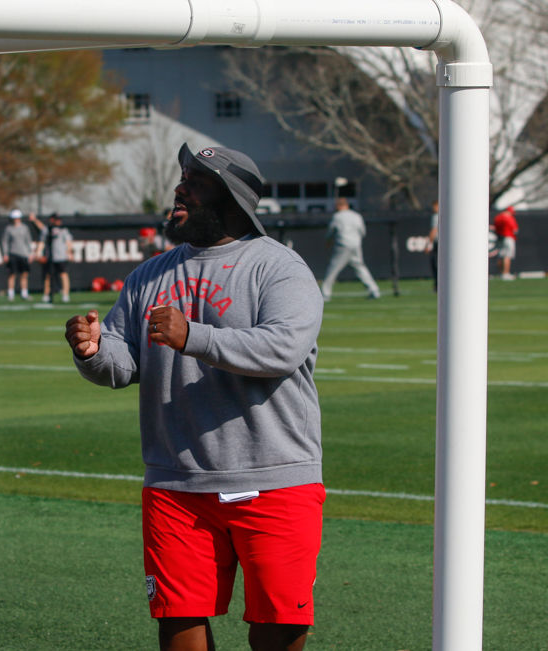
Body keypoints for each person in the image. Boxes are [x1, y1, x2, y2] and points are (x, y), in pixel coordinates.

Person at [65, 143, 325, 651]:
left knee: (278, 627)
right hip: (176, 482)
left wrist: (193, 336)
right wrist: (92, 351)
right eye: (182, 177)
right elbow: (123, 363)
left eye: (196, 182)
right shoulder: (149, 274)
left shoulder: (280, 267)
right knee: (177, 617)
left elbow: (282, 349)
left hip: (274, 478)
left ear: (232, 198)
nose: (179, 189)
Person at [319, 197, 380, 300]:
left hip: (342, 245)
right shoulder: (356, 216)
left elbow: (331, 232)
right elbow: (363, 232)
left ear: (339, 206)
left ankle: (325, 293)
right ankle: (374, 290)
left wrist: (328, 241)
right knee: (360, 267)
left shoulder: (337, 216)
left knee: (333, 269)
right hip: (356, 244)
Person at [35, 212, 73, 303]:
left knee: (63, 275)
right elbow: (42, 242)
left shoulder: (63, 230)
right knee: (48, 276)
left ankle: (65, 294)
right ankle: (46, 294)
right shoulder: (46, 229)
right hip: (50, 257)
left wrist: (69, 252)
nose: (58, 221)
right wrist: (38, 253)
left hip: (61, 256)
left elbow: (68, 242)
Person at [1, 208, 34, 300]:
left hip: (24, 254)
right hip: (13, 254)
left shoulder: (25, 228)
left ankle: (24, 293)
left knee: (24, 274)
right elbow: (5, 241)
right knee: (12, 274)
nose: (16, 220)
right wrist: (5, 253)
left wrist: (30, 253)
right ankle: (11, 294)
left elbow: (28, 241)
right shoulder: (9, 229)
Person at [492, 205, 519, 280]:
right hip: (508, 237)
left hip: (500, 238)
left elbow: (495, 227)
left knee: (501, 256)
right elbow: (515, 230)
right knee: (507, 256)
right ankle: (506, 274)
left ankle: (501, 273)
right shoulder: (508, 217)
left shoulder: (498, 217)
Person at [425, 200, 439, 292]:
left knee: (435, 264)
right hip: (444, 244)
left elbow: (434, 231)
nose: (434, 208)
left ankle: (438, 285)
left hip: (438, 244)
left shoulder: (436, 217)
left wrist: (428, 244)